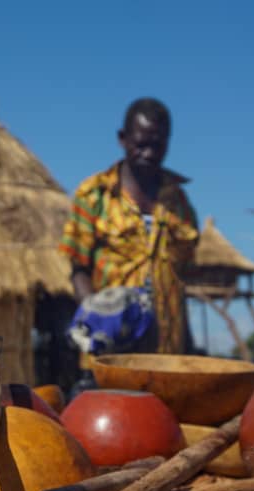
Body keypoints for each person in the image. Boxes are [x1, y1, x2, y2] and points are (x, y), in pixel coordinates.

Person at [59, 97, 200, 356]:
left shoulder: (178, 202)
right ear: (123, 139)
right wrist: (96, 316)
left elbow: (183, 281)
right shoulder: (94, 196)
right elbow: (77, 266)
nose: (148, 153)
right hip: (111, 350)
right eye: (140, 144)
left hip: (166, 351)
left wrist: (188, 348)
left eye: (157, 145)